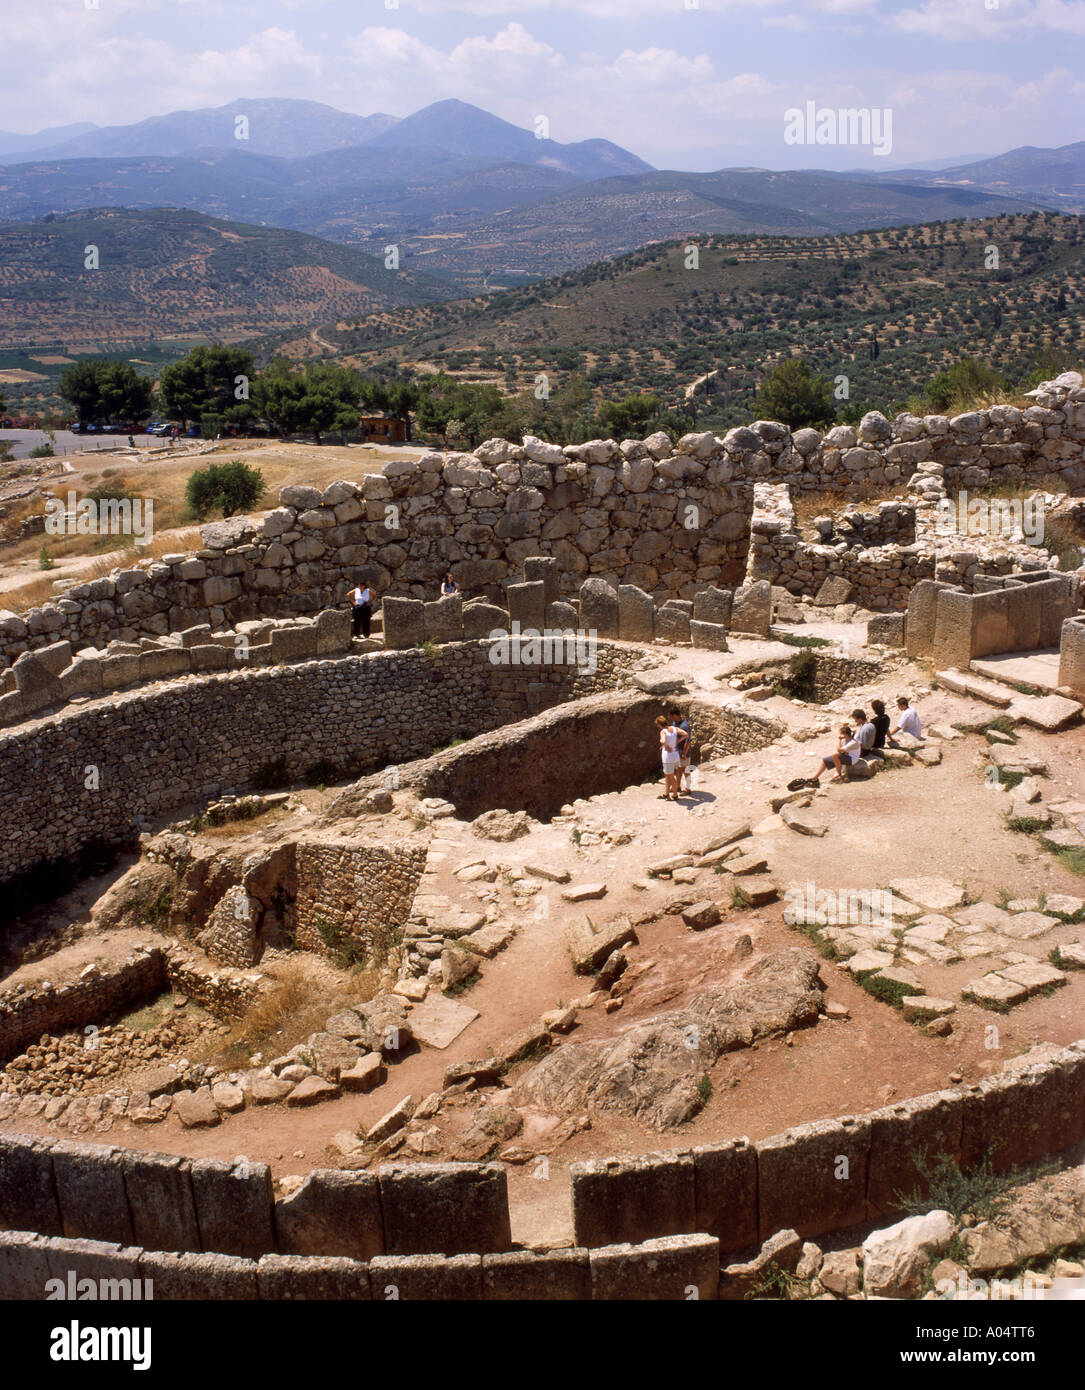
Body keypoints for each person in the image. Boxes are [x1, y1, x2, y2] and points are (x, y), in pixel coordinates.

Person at [789, 723, 861, 789]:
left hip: (852, 759)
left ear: (845, 734)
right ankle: (815, 777)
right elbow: (840, 750)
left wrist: (839, 740)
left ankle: (838, 772)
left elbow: (838, 750)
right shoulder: (844, 740)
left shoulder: (853, 742)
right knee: (825, 760)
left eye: (842, 734)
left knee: (835, 754)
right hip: (845, 756)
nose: (840, 735)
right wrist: (842, 749)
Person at [656, 714, 688, 802]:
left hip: (668, 756)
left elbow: (663, 740)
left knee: (670, 776)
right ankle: (666, 793)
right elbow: (685, 734)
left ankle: (674, 795)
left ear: (659, 724)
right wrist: (676, 742)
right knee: (667, 775)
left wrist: (665, 745)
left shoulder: (663, 731)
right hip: (675, 755)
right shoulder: (674, 728)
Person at [668, 706, 693, 792]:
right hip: (677, 752)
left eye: (671, 716)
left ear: (675, 715)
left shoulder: (684, 726)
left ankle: (688, 789)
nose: (670, 718)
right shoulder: (675, 723)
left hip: (684, 752)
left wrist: (684, 754)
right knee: (678, 769)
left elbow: (688, 741)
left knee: (686, 771)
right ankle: (677, 787)